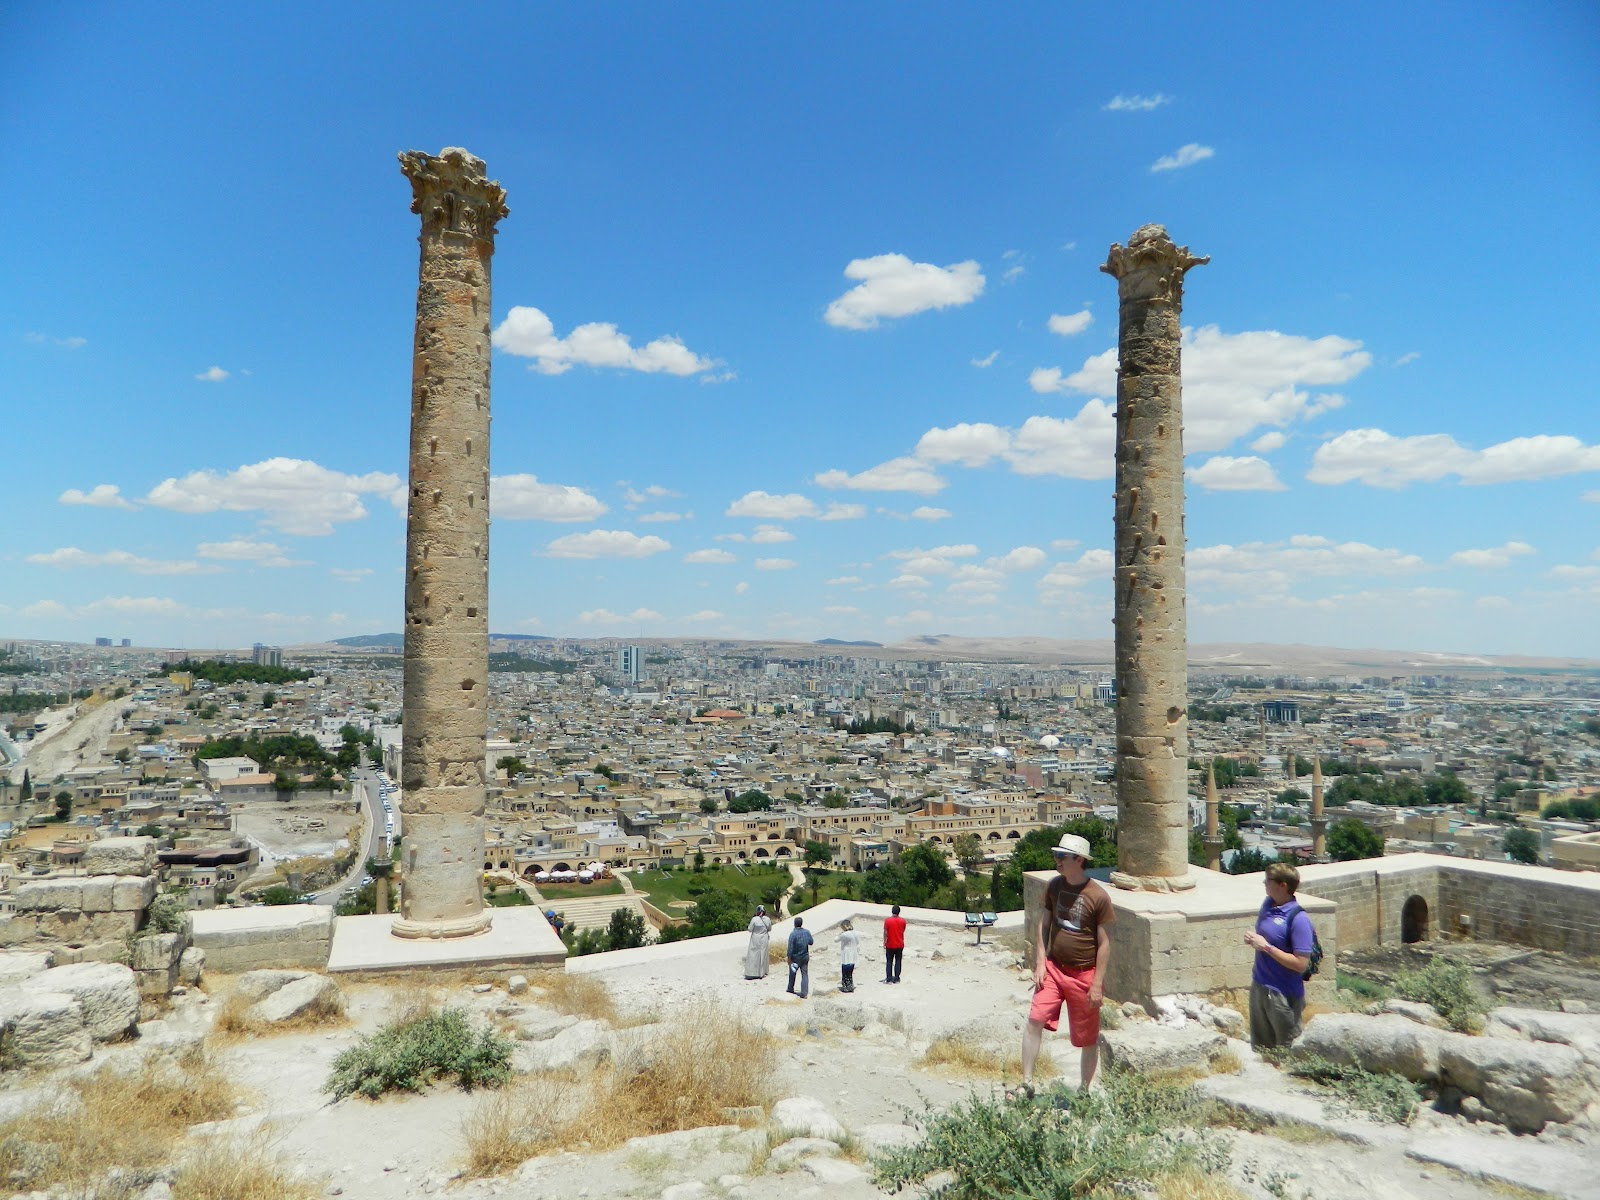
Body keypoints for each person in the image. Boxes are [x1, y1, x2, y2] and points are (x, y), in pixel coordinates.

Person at [1020, 833, 1114, 1096]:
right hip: (1054, 967)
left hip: (1084, 974)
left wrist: (1097, 984)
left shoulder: (1098, 896)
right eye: (1057, 855)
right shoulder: (1054, 886)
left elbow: (1105, 943)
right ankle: (1026, 1082)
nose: (1057, 860)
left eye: (1062, 856)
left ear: (1079, 860)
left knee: (1087, 1037)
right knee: (1035, 1019)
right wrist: (1040, 962)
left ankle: (1084, 1090)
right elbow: (1044, 924)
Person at [1245, 861, 1315, 1049]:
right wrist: (1255, 940)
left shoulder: (1299, 919)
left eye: (1268, 880)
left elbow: (1301, 964)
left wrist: (1266, 947)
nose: (1265, 884)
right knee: (1262, 1048)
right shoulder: (1268, 905)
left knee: (1286, 1049)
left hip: (1283, 993)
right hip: (1260, 985)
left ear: (1282, 885)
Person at [786, 916, 814, 998]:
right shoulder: (806, 932)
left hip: (795, 957)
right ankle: (804, 993)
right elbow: (811, 942)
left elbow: (790, 947)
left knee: (792, 973)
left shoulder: (793, 934)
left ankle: (790, 988)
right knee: (804, 974)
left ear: (794, 924)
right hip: (805, 956)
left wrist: (789, 957)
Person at [744, 904, 773, 980]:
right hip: (764, 938)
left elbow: (750, 929)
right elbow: (769, 929)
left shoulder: (754, 919)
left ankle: (752, 972)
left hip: (755, 938)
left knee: (753, 955)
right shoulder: (767, 919)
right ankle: (762, 972)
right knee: (763, 954)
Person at [882, 904, 906, 983]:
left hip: (890, 944)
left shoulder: (887, 920)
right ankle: (897, 978)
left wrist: (884, 942)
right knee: (898, 961)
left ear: (892, 911)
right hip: (899, 943)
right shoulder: (903, 921)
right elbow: (903, 930)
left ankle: (889, 978)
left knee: (889, 961)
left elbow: (885, 932)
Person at [838, 919, 859, 992]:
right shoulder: (855, 933)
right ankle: (850, 986)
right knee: (850, 972)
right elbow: (857, 942)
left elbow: (836, 940)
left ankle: (846, 987)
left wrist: (839, 934)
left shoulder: (844, 934)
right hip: (853, 952)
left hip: (846, 953)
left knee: (845, 971)